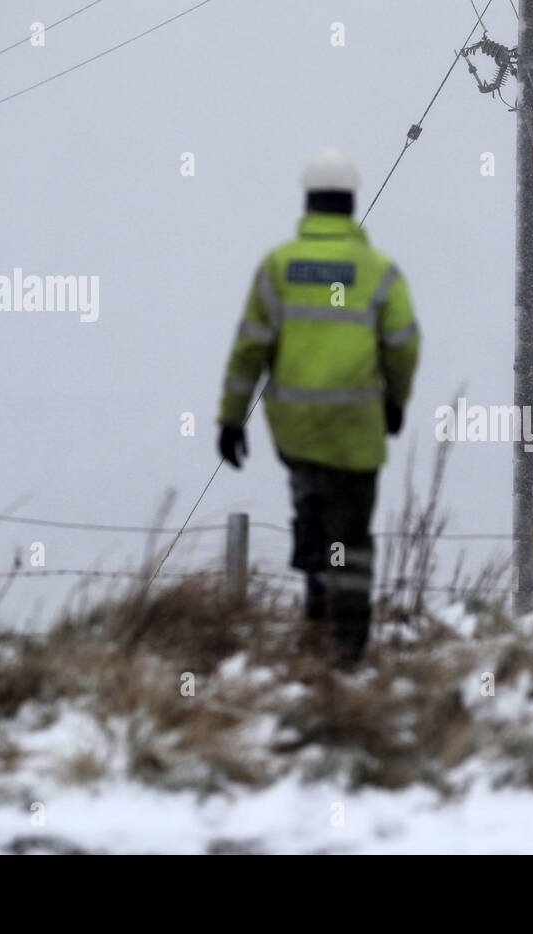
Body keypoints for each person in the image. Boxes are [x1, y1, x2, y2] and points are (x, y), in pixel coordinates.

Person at [216, 148, 419, 667]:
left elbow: (248, 349)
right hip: (356, 429)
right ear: (352, 204)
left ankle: (315, 602)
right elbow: (403, 344)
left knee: (311, 509)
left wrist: (230, 418)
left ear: (308, 202)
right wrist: (395, 402)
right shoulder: (378, 272)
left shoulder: (278, 267)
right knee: (350, 534)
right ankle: (348, 644)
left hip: (297, 429)